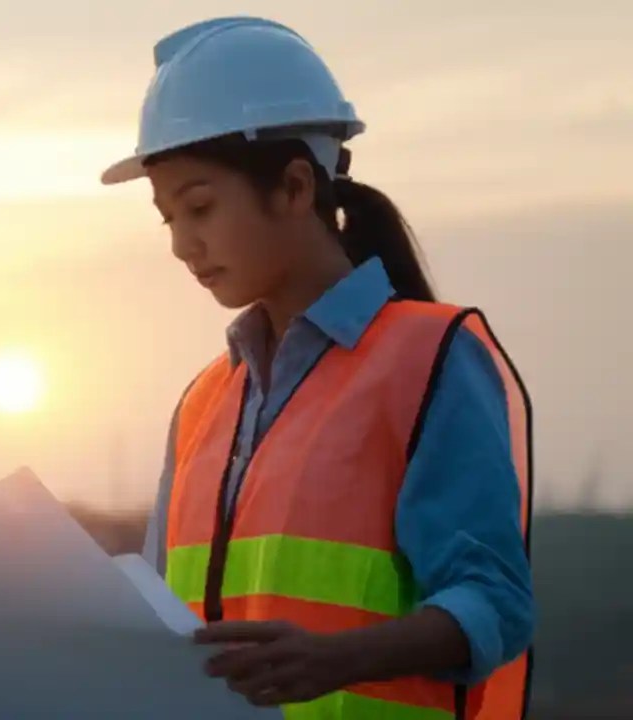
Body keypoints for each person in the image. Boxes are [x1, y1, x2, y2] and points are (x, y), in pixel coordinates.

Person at [103, 17, 535, 719]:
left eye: (200, 207)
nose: (183, 244)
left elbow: (495, 602)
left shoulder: (429, 360)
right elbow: (159, 625)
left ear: (296, 187)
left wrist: (338, 658)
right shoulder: (206, 403)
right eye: (167, 218)